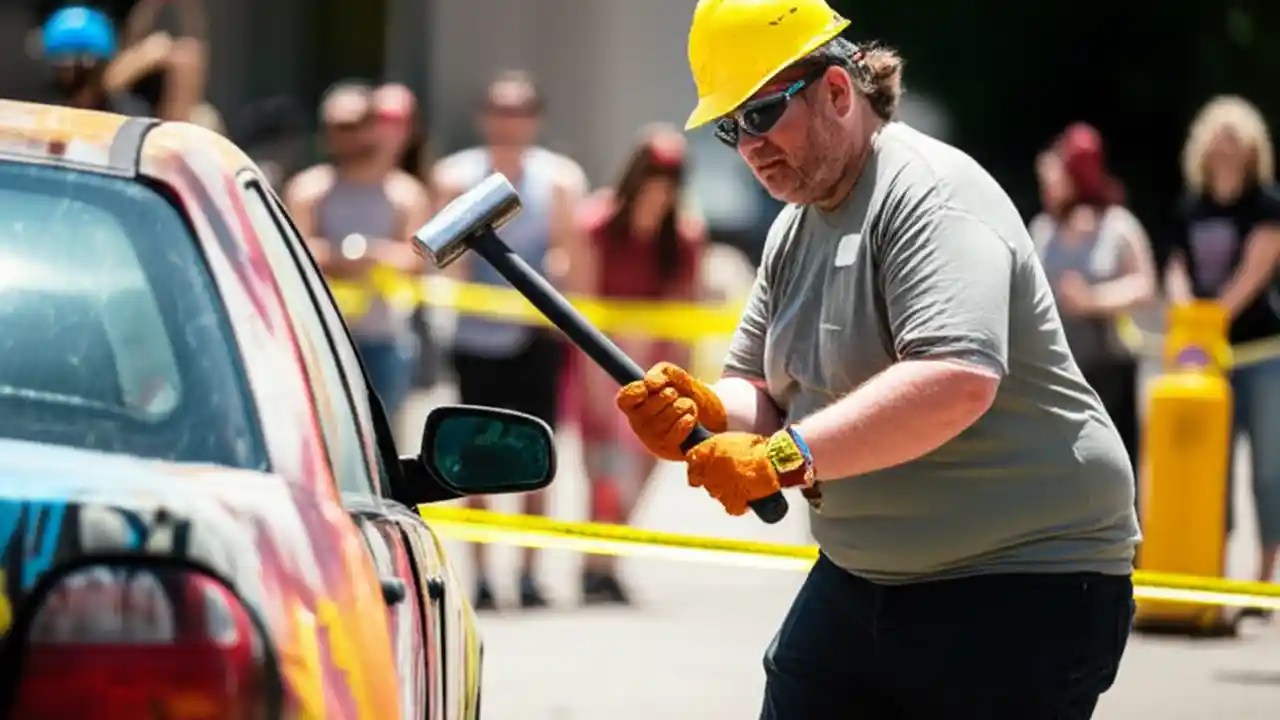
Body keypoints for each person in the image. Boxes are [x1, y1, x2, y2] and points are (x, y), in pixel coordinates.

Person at [613, 1, 1139, 717]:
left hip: (1023, 577)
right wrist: (704, 413)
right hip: (866, 573)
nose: (749, 145)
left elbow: (954, 381)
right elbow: (759, 388)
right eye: (731, 127)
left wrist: (779, 459)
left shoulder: (929, 195)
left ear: (837, 91)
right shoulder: (794, 229)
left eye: (762, 113)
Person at [431, 70, 590, 611]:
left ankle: (526, 572)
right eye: (500, 111)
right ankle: (477, 574)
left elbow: (568, 251)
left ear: (534, 119)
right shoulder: (454, 175)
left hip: (535, 337)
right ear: (485, 116)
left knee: (536, 453)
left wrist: (555, 294)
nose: (509, 122)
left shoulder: (559, 179)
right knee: (473, 453)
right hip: (475, 339)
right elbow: (441, 260)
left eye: (520, 111)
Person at [568, 123, 707, 605]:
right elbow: (582, 308)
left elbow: (683, 315)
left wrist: (683, 388)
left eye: (669, 180)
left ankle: (606, 562)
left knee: (641, 473)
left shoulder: (685, 236)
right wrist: (593, 388)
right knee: (603, 473)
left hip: (656, 371)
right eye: (652, 177)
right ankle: (594, 567)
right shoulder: (597, 225)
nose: (659, 190)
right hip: (600, 365)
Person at [1165, 95, 1280, 593]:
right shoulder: (1190, 207)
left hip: (1260, 354)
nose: (1227, 147)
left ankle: (1263, 579)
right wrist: (1185, 308)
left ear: (1253, 148)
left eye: (1237, 138)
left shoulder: (1267, 204)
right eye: (1220, 136)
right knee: (1209, 469)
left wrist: (1206, 321)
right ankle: (1210, 572)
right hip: (1204, 359)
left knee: (1269, 469)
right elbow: (1175, 268)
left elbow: (1256, 269)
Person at [283, 81, 432, 422]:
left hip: (384, 340)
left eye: (357, 125)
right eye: (339, 128)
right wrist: (353, 258)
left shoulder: (405, 194)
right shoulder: (309, 189)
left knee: (387, 445)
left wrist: (364, 255)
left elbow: (415, 259)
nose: (350, 137)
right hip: (322, 340)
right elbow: (296, 254)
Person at [1028, 123, 1157, 477]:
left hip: (1111, 370)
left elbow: (1145, 285)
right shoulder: (1042, 229)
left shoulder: (1118, 226)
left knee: (1115, 469)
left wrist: (1093, 299)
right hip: (1057, 372)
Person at [373, 82, 441, 392]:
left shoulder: (425, 181)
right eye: (382, 120)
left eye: (398, 122)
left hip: (409, 310)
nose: (390, 131)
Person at [37, 5, 149, 116]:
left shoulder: (126, 114)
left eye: (83, 74)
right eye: (64, 67)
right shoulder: (40, 110)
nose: (72, 76)